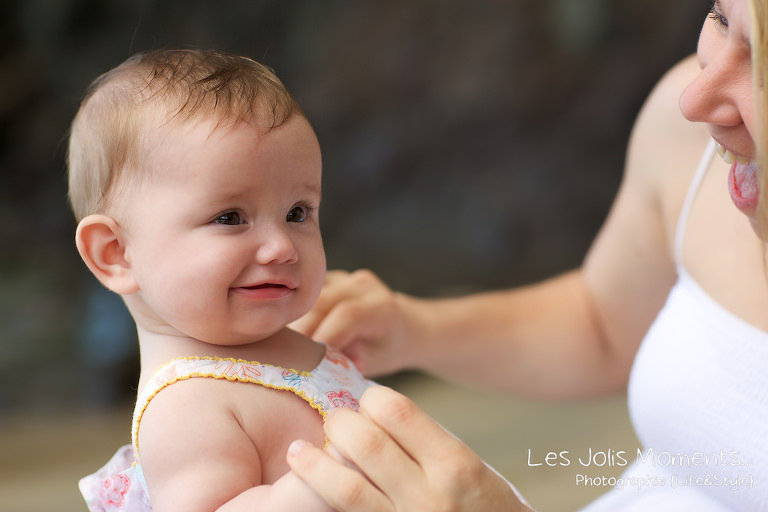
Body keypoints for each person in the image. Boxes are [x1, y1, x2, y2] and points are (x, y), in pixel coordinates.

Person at [287, 0, 768, 510]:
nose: (695, 100)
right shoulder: (688, 142)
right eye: (719, 18)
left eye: (763, 69)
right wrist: (411, 327)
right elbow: (604, 325)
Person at [68, 49, 378, 512]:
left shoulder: (286, 348)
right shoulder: (187, 407)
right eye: (230, 217)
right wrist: (314, 492)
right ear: (117, 254)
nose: (282, 247)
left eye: (297, 213)